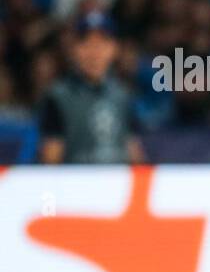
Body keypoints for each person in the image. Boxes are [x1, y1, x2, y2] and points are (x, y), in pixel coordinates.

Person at [39, 11, 144, 165]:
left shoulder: (123, 95)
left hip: (117, 184)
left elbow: (133, 151)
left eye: (102, 44)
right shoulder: (58, 97)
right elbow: (50, 159)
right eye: (87, 44)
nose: (94, 53)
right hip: (76, 185)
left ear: (114, 49)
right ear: (75, 49)